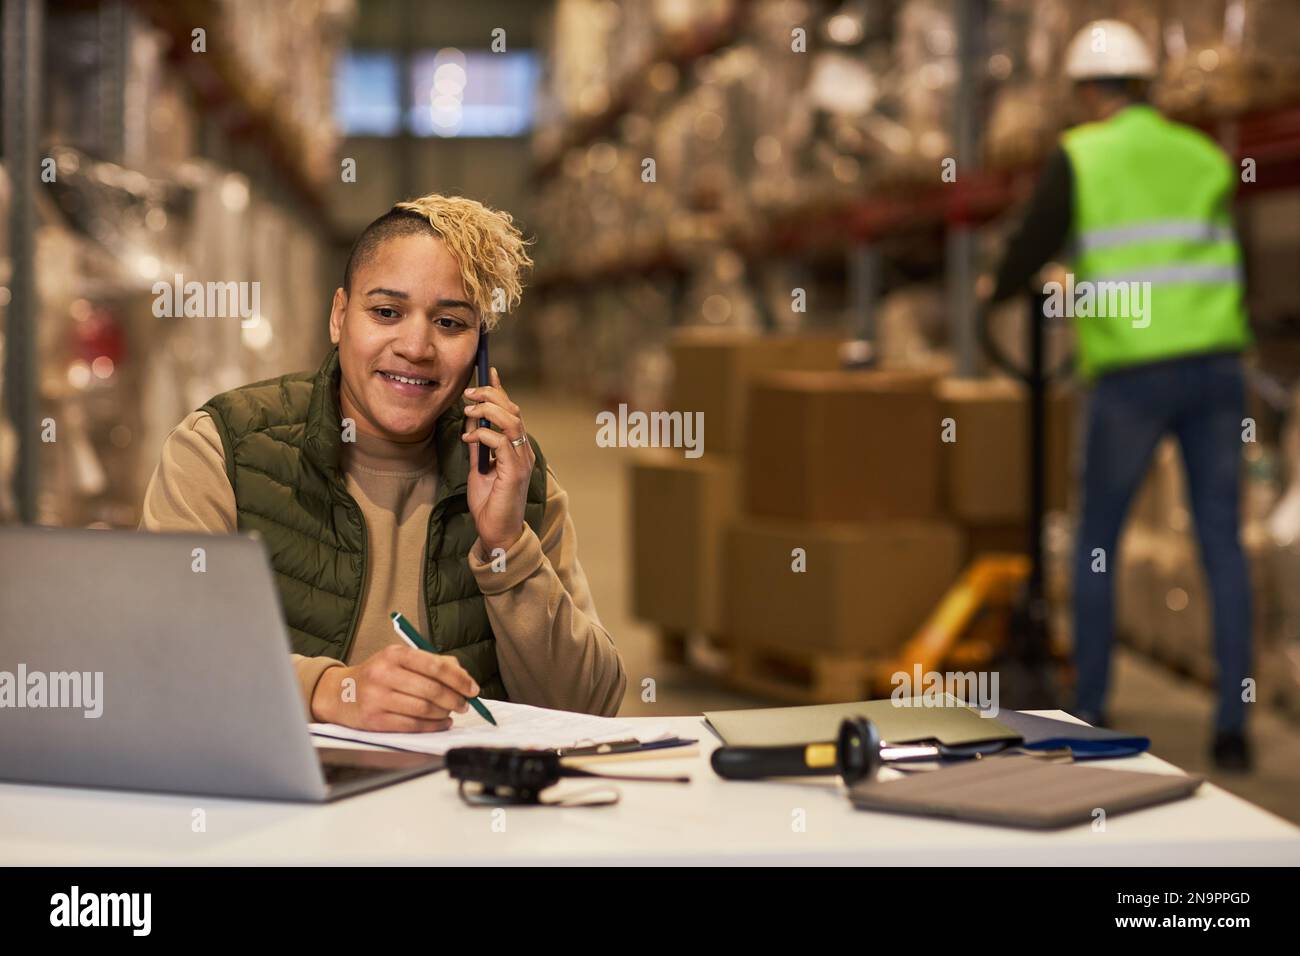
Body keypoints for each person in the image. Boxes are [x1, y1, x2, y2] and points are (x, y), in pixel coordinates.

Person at [140, 193, 627, 731]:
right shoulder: (223, 450)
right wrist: (328, 690)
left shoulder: (517, 480)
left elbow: (590, 708)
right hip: (277, 802)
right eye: (387, 312)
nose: (416, 346)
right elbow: (159, 653)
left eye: (450, 323)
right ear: (339, 316)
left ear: (480, 350)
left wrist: (505, 548)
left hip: (455, 804)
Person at [988, 20, 1255, 770]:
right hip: (1215, 368)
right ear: (1144, 87)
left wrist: (1001, 286)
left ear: (1086, 93)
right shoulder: (1203, 154)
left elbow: (1029, 247)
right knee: (1221, 544)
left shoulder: (1081, 155)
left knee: (1097, 538)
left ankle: (1094, 711)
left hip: (1134, 374)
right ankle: (1233, 726)